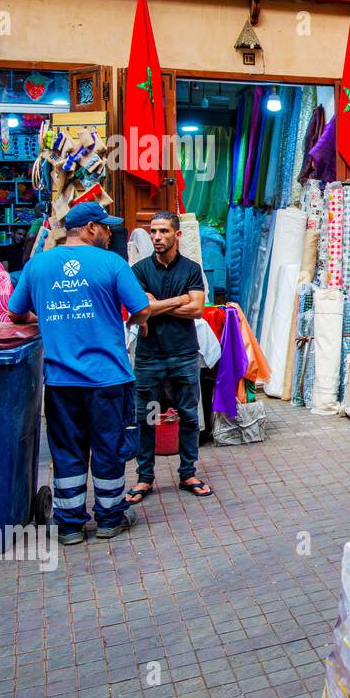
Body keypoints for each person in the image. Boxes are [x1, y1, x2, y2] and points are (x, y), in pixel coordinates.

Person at [7, 202, 150, 545]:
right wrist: (136, 322)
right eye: (104, 228)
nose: (108, 233)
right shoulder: (112, 263)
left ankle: (69, 525)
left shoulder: (37, 265)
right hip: (108, 380)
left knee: (67, 449)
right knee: (108, 447)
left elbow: (15, 313)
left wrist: (45, 321)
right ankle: (109, 519)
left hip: (60, 380)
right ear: (88, 228)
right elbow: (141, 308)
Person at [128, 211, 212, 502]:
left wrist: (156, 305)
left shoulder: (191, 268)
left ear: (177, 235)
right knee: (146, 417)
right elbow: (140, 311)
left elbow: (197, 310)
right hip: (149, 356)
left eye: (163, 231)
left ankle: (188, 472)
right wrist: (178, 300)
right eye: (153, 231)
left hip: (184, 353)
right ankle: (145, 477)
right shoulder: (139, 270)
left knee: (188, 415)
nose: (156, 237)